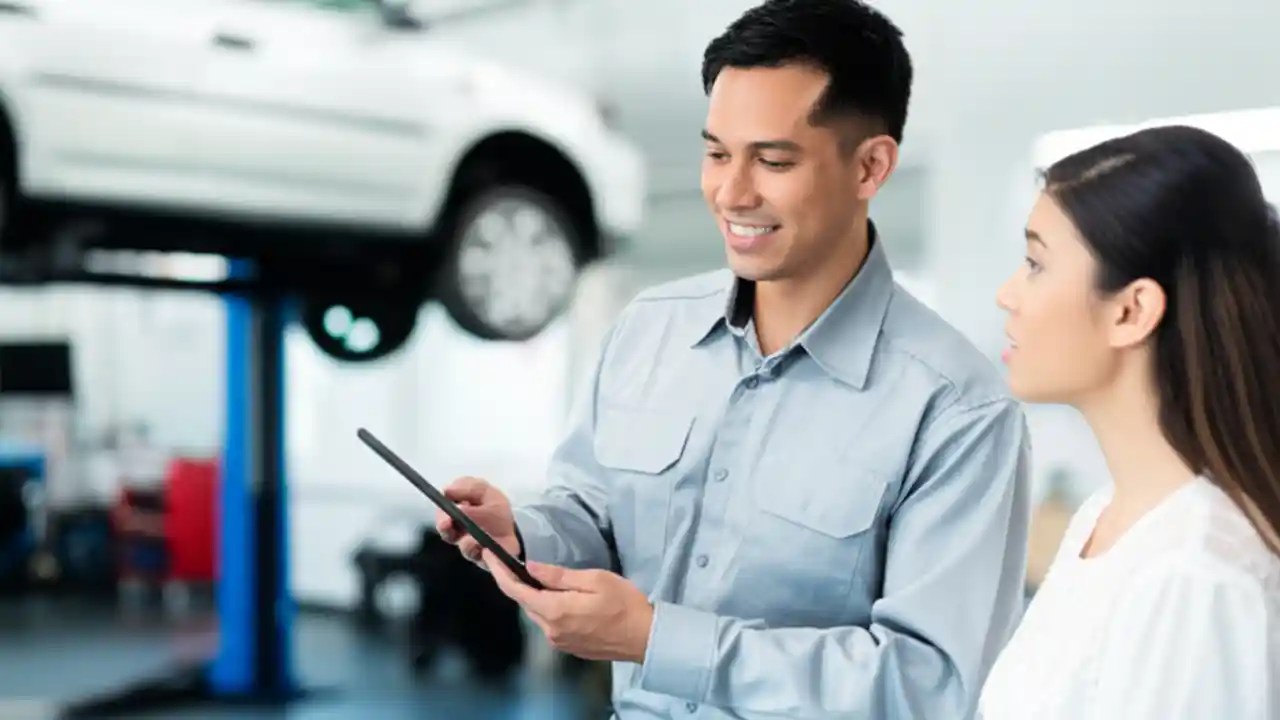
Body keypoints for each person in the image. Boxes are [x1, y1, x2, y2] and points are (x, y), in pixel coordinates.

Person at [439, 1, 1032, 717]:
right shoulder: (648, 330)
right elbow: (595, 511)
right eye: (717, 154)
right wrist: (524, 534)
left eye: (773, 161)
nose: (731, 192)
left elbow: (927, 687)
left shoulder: (958, 410)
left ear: (870, 166)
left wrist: (659, 640)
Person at [979, 124, 1280, 719]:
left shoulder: (1196, 575)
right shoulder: (1103, 519)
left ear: (1130, 310)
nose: (1006, 295)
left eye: (1035, 264)